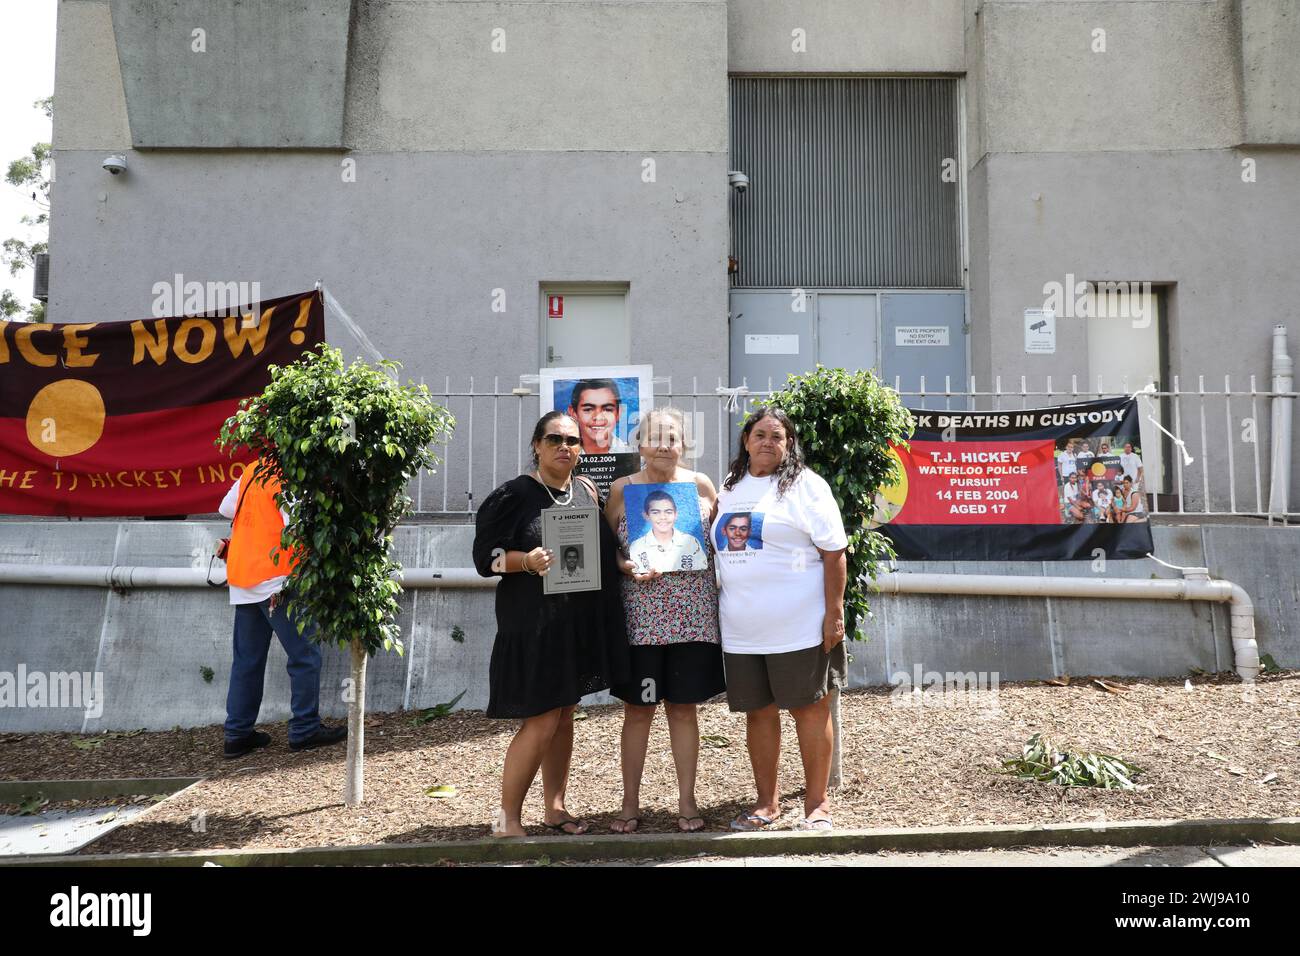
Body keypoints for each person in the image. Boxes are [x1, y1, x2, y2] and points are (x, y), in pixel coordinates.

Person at [472, 411, 631, 837]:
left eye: (573, 441)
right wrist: (525, 561)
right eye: (555, 439)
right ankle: (507, 819)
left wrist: (623, 562)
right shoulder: (512, 496)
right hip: (532, 625)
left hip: (574, 622)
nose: (565, 447)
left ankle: (554, 809)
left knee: (564, 715)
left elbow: (599, 548)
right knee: (541, 718)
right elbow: (484, 561)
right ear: (537, 445)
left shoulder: (584, 491)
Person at [711, 406, 848, 832]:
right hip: (742, 630)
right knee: (759, 714)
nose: (768, 442)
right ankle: (766, 805)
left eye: (778, 436)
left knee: (810, 710)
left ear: (789, 445)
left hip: (800, 627)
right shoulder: (729, 488)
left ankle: (817, 806)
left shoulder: (807, 486)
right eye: (760, 434)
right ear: (746, 441)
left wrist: (835, 612)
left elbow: (834, 552)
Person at [604, 407, 725, 833]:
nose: (663, 444)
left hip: (693, 619)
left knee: (684, 709)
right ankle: (629, 803)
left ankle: (688, 801)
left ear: (683, 443)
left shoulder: (701, 485)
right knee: (638, 711)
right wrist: (623, 566)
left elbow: (717, 543)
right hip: (641, 622)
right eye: (654, 436)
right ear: (639, 444)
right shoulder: (621, 489)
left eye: (671, 437)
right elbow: (610, 550)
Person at [218, 459, 347, 758]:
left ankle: (237, 734)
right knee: (304, 656)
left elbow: (226, 508)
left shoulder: (254, 468)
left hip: (243, 576)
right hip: (279, 579)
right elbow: (298, 526)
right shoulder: (292, 473)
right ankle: (304, 729)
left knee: (247, 661)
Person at [626, 489, 708, 573]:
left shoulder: (691, 542)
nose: (663, 517)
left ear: (676, 514)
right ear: (646, 516)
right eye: (655, 512)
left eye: (668, 512)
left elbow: (703, 570)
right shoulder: (637, 546)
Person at [566, 378, 633, 454]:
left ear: (619, 412)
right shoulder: (562, 457)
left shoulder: (632, 456)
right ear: (573, 413)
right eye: (588, 409)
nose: (598, 417)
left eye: (607, 409)